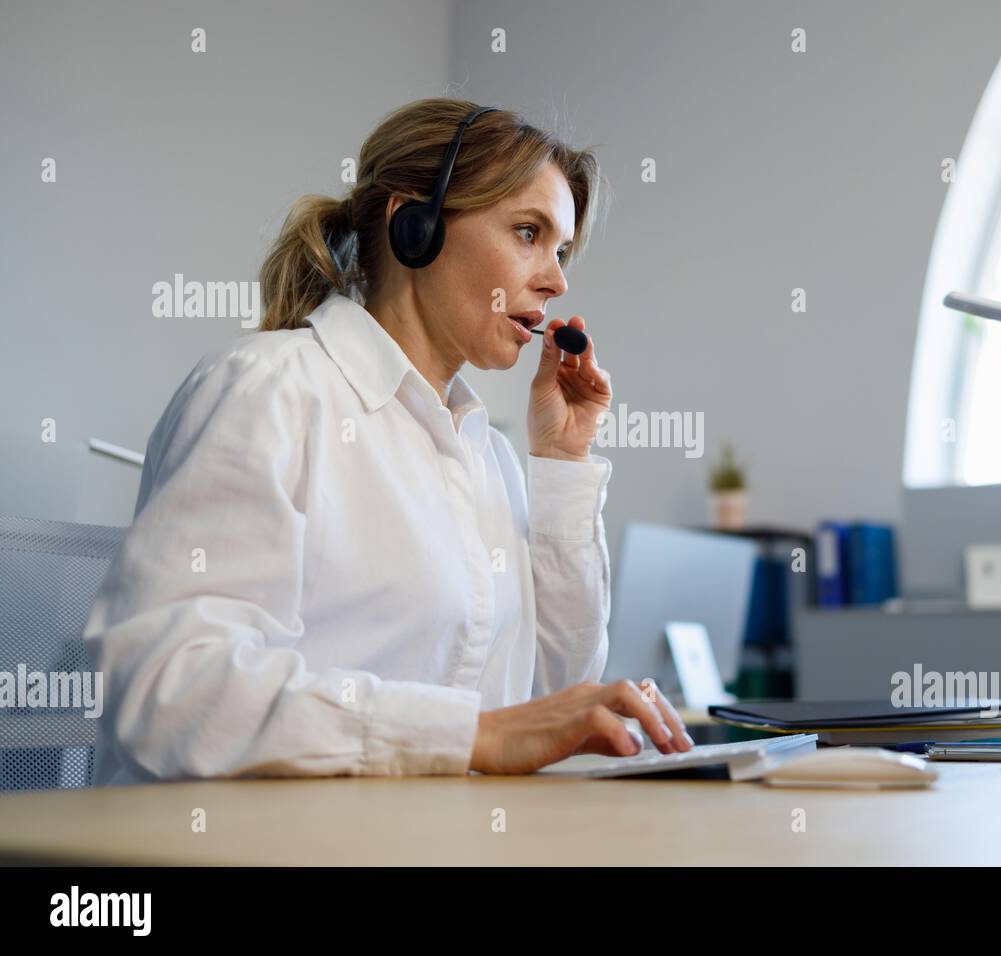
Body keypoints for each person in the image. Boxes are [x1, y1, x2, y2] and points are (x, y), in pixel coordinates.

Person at [84, 99, 693, 785]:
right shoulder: (270, 390)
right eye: (528, 232)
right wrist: (468, 736)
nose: (557, 280)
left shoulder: (483, 453)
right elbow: (168, 688)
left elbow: (549, 695)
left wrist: (561, 463)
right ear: (416, 226)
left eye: (561, 250)